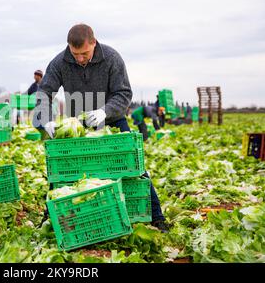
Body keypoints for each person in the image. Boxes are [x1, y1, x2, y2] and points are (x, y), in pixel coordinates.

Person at [33, 23, 169, 232]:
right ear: (69, 47)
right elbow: (44, 93)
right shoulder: (60, 62)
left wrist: (105, 111)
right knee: (63, 171)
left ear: (94, 43)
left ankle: (157, 217)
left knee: (134, 167)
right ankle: (50, 217)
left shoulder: (112, 58)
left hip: (112, 120)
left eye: (84, 53)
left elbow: (123, 93)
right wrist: (47, 120)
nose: (79, 58)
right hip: (78, 126)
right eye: (75, 53)